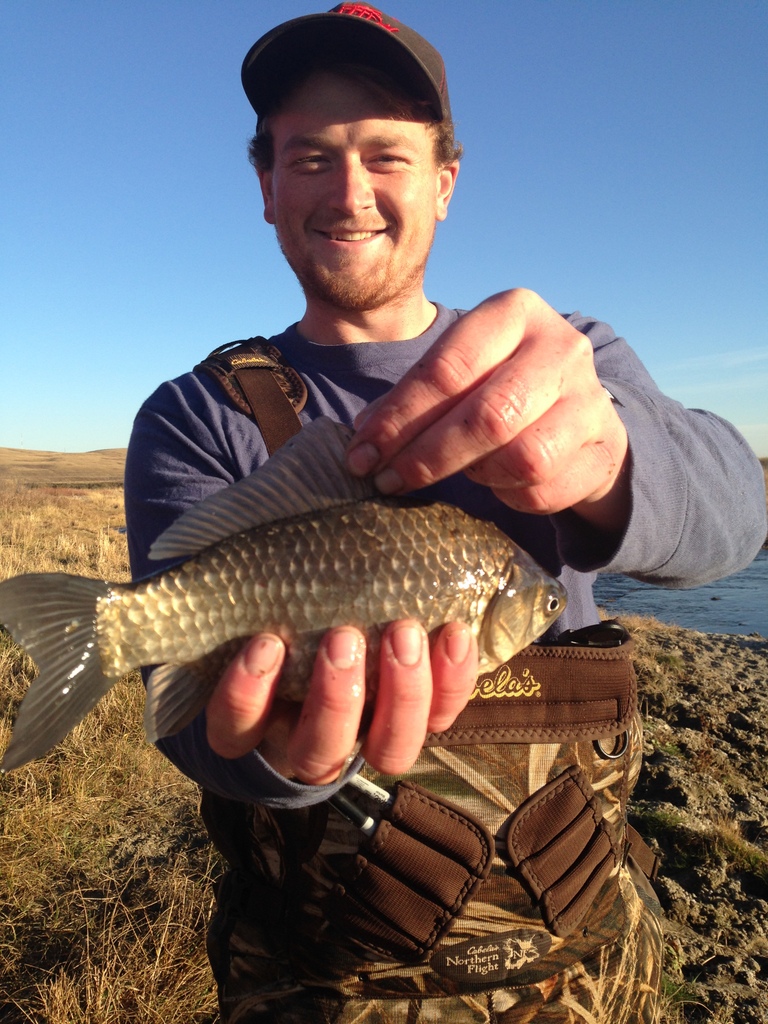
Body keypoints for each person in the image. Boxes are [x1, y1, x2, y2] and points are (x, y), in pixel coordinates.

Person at [124, 5, 767, 1022]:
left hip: (586, 968)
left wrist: (612, 458)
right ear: (265, 186)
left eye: (386, 153)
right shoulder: (198, 416)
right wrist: (284, 755)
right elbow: (195, 722)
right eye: (309, 158)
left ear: (445, 181)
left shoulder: (563, 355)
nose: (348, 190)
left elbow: (738, 516)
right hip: (325, 983)